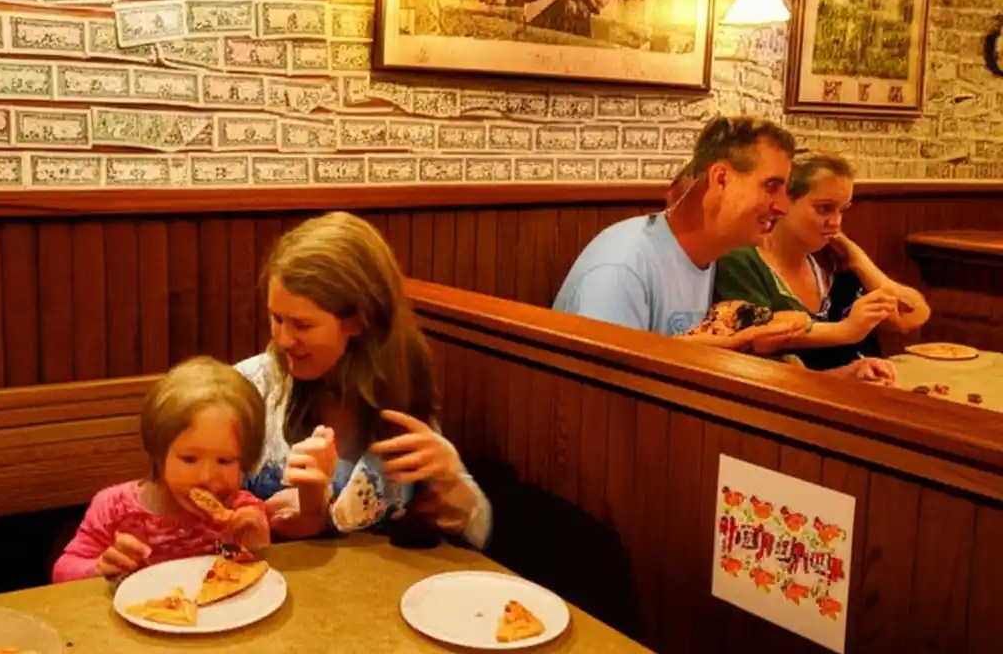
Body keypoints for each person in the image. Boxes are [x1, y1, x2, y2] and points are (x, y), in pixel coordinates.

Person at [237, 212, 491, 549]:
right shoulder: (249, 389)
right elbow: (190, 516)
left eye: (302, 325)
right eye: (276, 318)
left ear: (359, 321)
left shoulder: (400, 386)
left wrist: (451, 484)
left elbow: (481, 533)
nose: (282, 340)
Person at [553, 116, 810, 352]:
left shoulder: (708, 255)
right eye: (771, 187)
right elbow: (607, 386)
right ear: (721, 179)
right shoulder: (621, 268)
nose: (784, 207)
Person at [714, 152, 931, 382]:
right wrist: (847, 343)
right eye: (824, 209)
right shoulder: (740, 260)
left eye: (842, 210)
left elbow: (914, 316)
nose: (836, 222)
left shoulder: (830, 259)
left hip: (865, 395)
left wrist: (858, 259)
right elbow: (758, 348)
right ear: (783, 203)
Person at [52, 357, 271, 582]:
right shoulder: (113, 509)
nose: (206, 477)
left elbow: (259, 573)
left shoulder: (243, 511)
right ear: (158, 452)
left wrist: (257, 546)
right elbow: (62, 572)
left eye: (225, 461)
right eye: (189, 459)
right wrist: (100, 568)